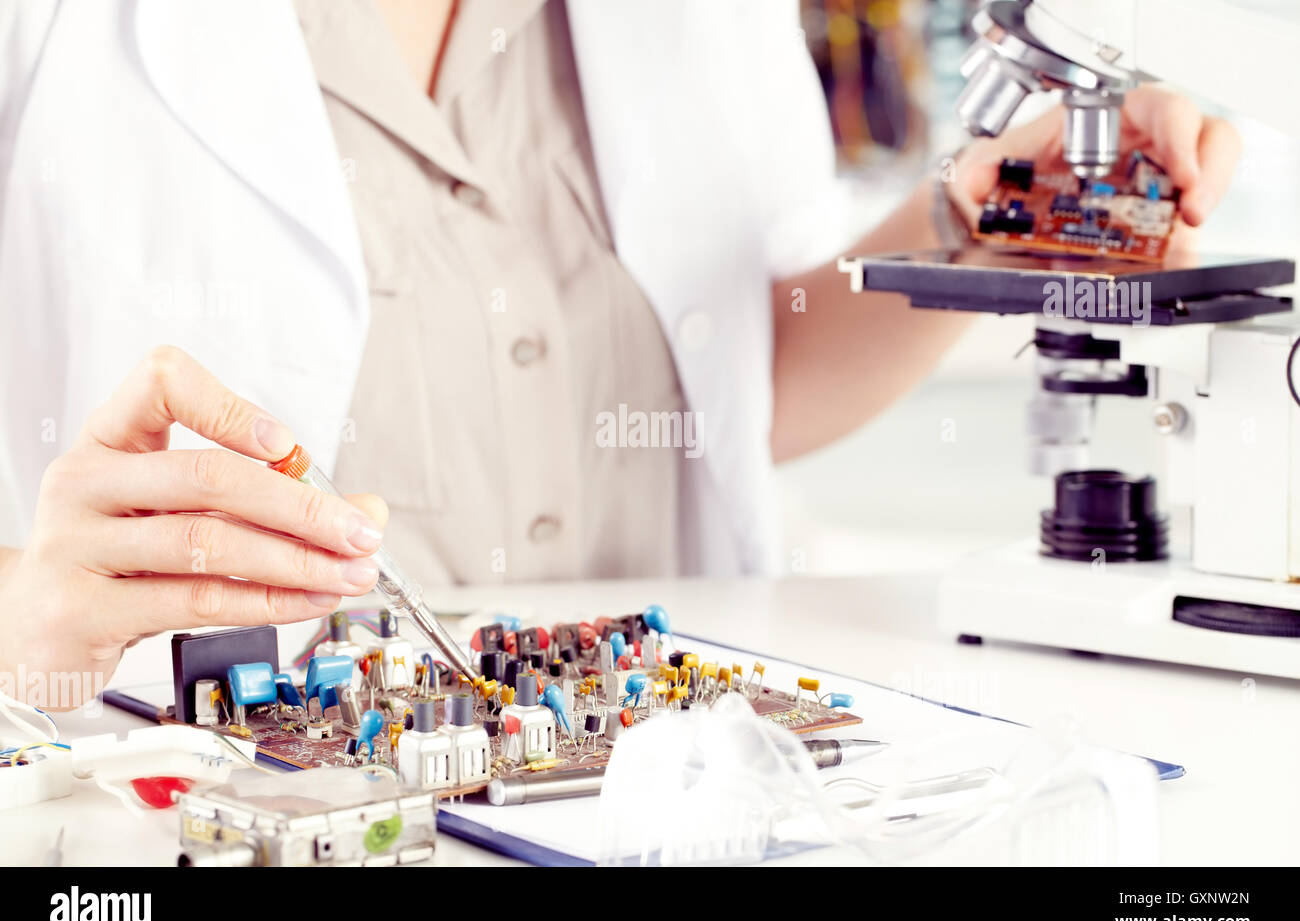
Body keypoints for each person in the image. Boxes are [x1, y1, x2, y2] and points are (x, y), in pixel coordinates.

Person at [0, 0, 1239, 707]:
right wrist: (25, 613)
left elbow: (743, 389)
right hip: (247, 787)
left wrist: (984, 220)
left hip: (643, 770)